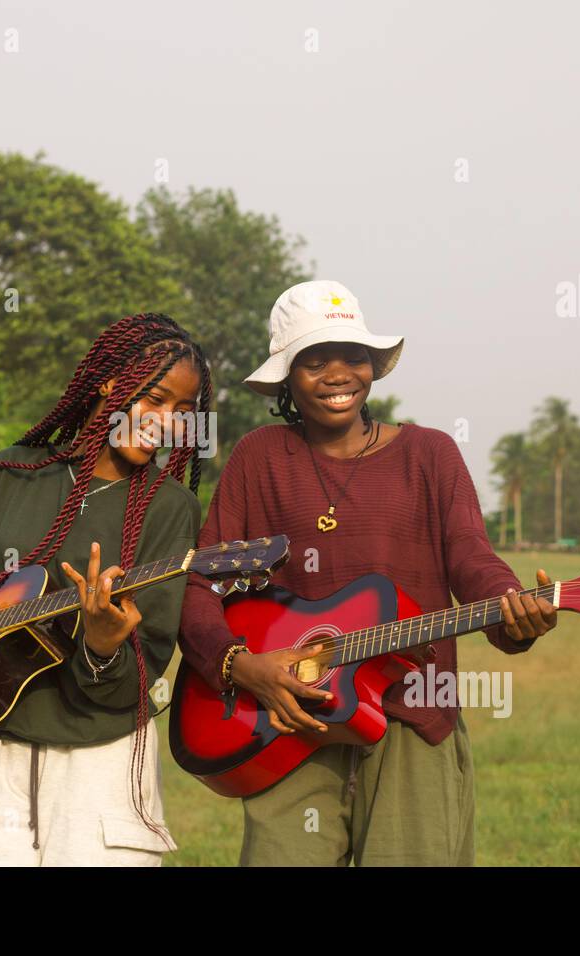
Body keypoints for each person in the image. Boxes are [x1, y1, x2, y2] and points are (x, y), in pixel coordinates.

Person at [179, 280, 558, 866]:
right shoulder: (260, 457)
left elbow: (470, 555)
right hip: (289, 724)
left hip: (412, 714)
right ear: (286, 375)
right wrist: (241, 666)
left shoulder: (430, 455)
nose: (338, 374)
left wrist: (511, 605)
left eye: (354, 356)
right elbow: (201, 582)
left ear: (374, 368)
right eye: (314, 360)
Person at [0, 313, 210, 866]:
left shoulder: (171, 511)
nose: (166, 423)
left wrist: (102, 647)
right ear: (108, 382)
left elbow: (137, 672)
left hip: (102, 766)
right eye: (154, 399)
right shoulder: (5, 477)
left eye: (183, 412)